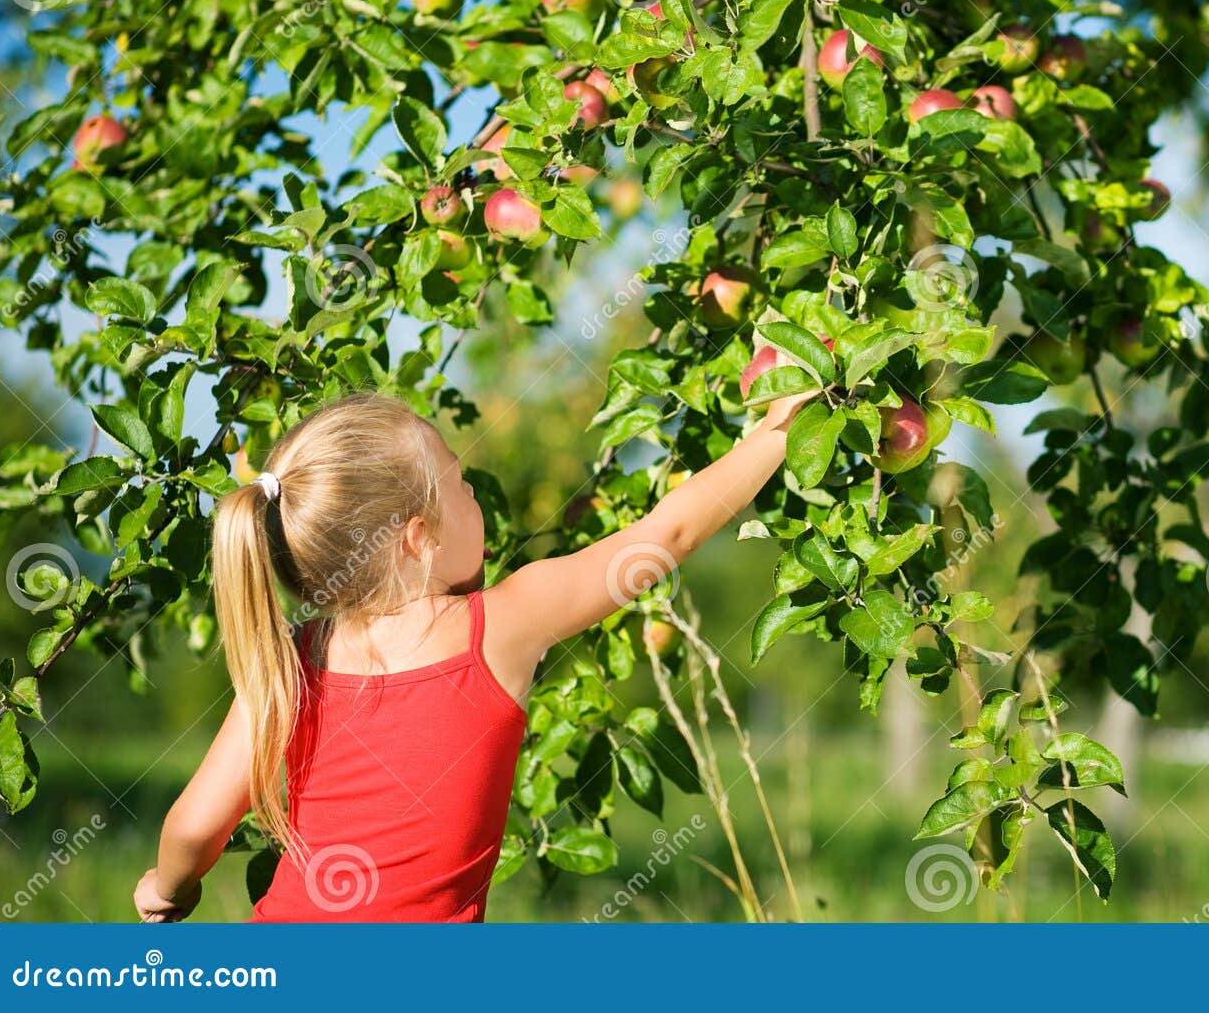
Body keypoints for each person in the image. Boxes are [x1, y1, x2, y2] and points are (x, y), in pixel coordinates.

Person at [133, 388, 810, 921]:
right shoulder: (503, 624)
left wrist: (169, 887)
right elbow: (672, 531)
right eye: (461, 485)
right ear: (418, 537)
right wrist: (778, 427)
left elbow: (193, 827)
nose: (476, 498)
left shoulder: (289, 662)